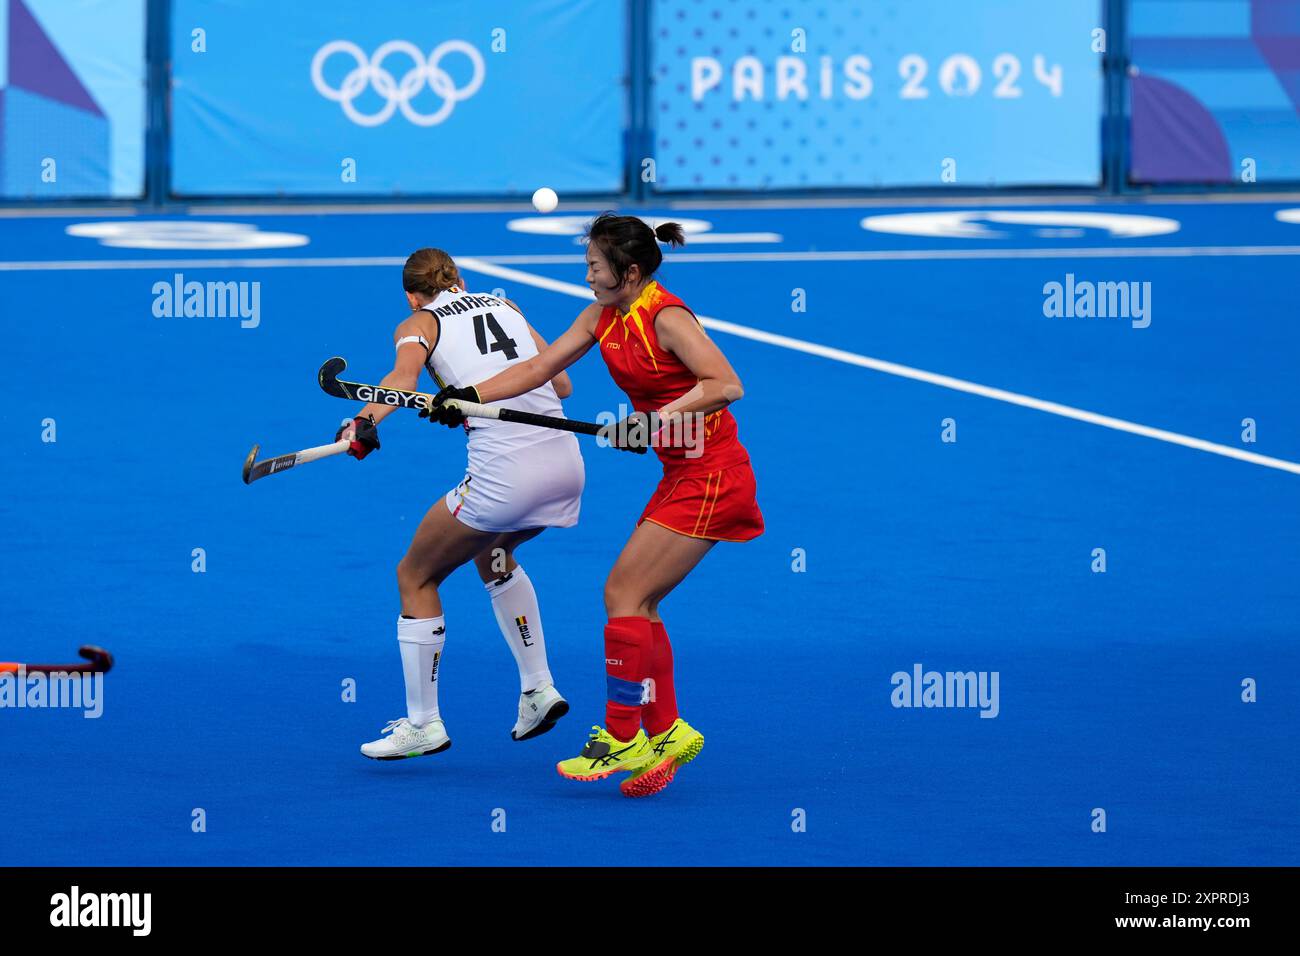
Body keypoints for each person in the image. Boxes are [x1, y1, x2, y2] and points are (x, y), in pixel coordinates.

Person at [425, 214, 762, 796]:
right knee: (642, 602)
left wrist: (655, 421)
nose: (586, 277)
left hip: (713, 476)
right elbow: (537, 368)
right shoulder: (603, 315)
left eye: (595, 268)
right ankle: (665, 729)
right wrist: (468, 398)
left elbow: (726, 384)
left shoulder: (667, 317)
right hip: (683, 471)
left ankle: (621, 733)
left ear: (629, 272)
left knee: (622, 594)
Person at [336, 248, 585, 759]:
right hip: (565, 469)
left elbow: (402, 382)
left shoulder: (417, 324)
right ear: (461, 280)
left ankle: (423, 724)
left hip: (506, 479)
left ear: (411, 294)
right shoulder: (506, 306)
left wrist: (362, 424)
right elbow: (561, 382)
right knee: (493, 555)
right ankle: (538, 688)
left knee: (416, 575)